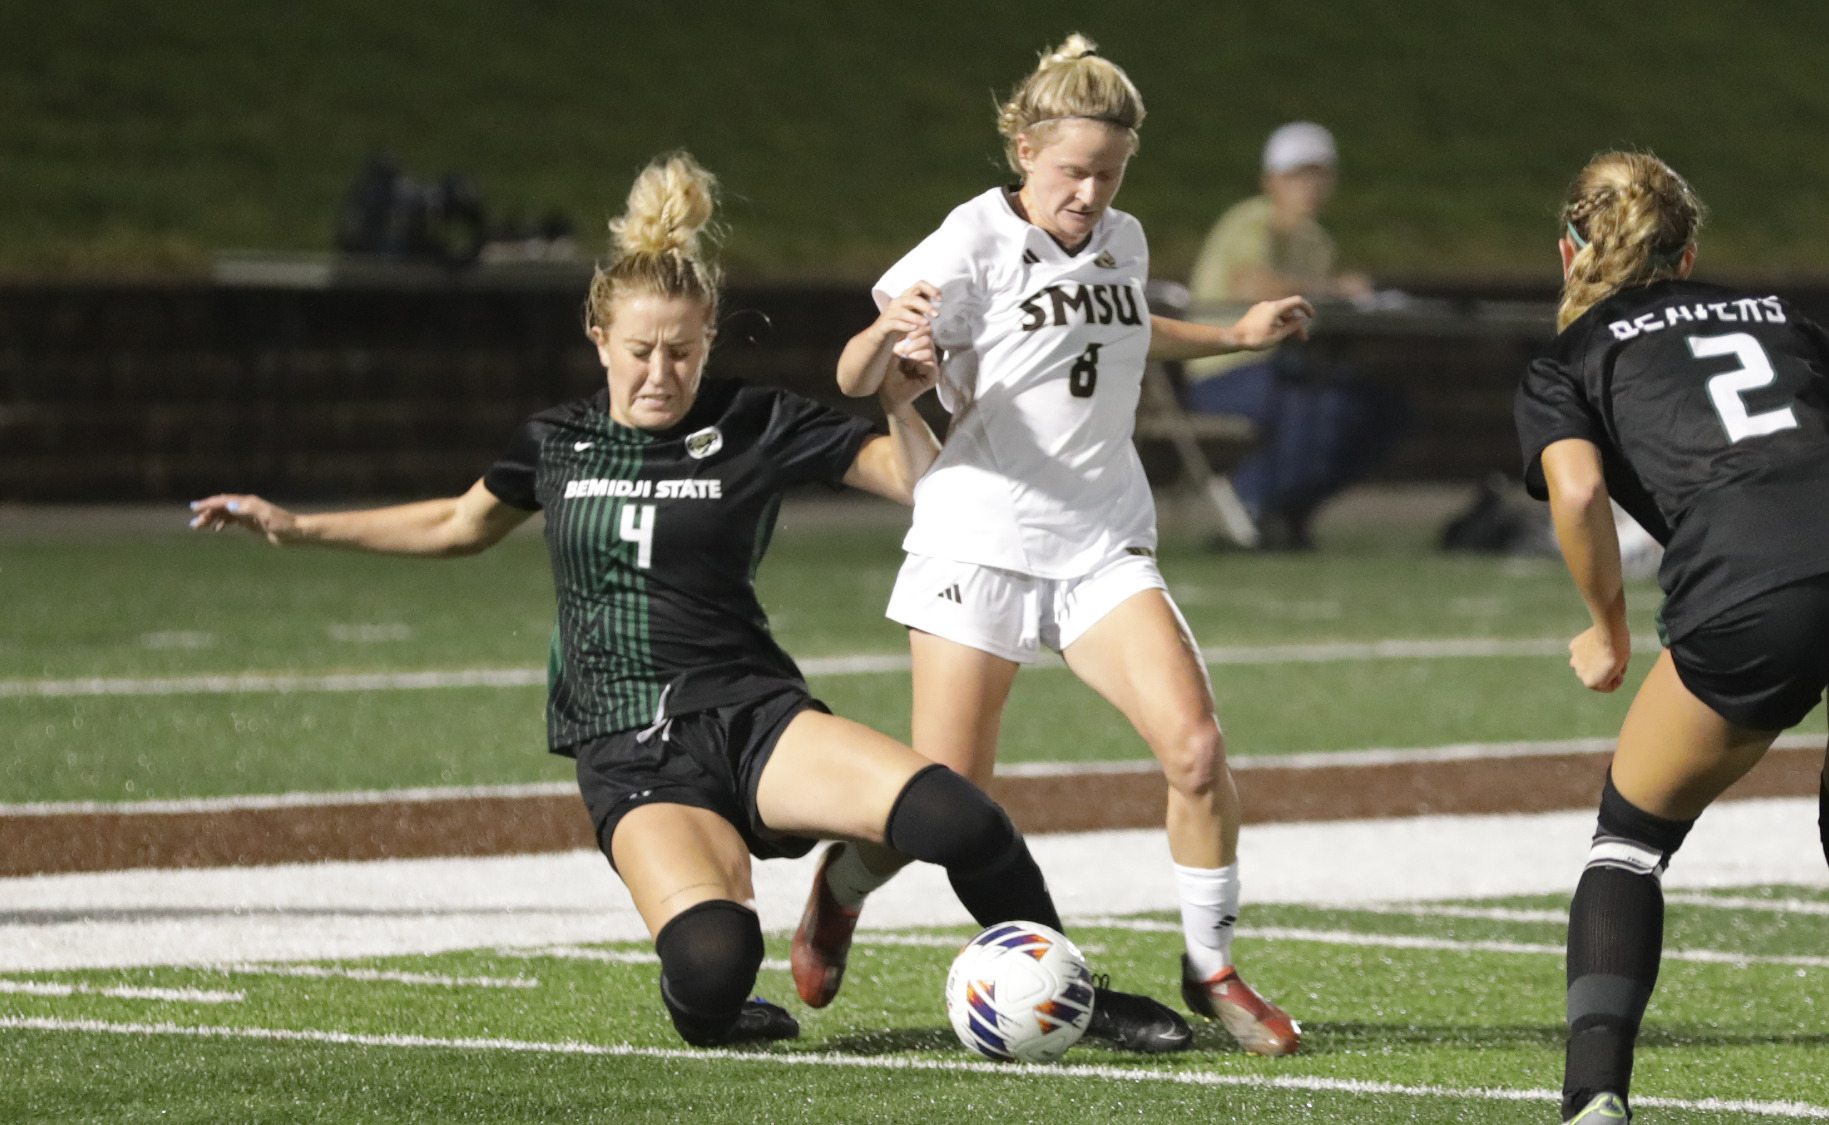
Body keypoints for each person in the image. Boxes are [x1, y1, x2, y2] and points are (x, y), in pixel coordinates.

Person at [189, 151, 1183, 1053]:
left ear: (708, 336)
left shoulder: (752, 419)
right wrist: (295, 523)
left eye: (680, 351)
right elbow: (456, 525)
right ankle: (707, 996)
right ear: (598, 338)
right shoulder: (555, 442)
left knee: (959, 817)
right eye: (638, 352)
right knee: (712, 966)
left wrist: (898, 395)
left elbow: (929, 487)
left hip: (751, 715)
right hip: (626, 745)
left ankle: (1074, 998)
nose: (659, 373)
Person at [795, 34, 1313, 1057]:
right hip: (976, 541)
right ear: (1024, 149)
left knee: (1197, 751)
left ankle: (1209, 966)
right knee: (947, 807)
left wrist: (1232, 336)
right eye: (1072, 170)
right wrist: (880, 345)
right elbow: (858, 374)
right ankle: (839, 885)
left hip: (1098, 544)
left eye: (1108, 173)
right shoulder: (969, 241)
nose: (1088, 191)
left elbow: (1120, 324)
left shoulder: (1122, 237)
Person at [1516, 150, 1829, 1125]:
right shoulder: (1783, 318)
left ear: (1567, 250)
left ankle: (1592, 1098)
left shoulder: (1565, 359)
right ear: (1687, 256)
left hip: (1748, 586)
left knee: (1628, 844)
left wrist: (1604, 631)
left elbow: (1575, 491)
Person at [1181, 121, 1406, 549]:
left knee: (1382, 412)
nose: (1310, 187)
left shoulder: (1315, 242)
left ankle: (1288, 508)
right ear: (1272, 182)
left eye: (1318, 175)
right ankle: (1245, 502)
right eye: (1297, 176)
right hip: (1223, 370)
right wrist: (1338, 290)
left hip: (1281, 367)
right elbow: (1252, 284)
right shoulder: (1250, 221)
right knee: (1319, 409)